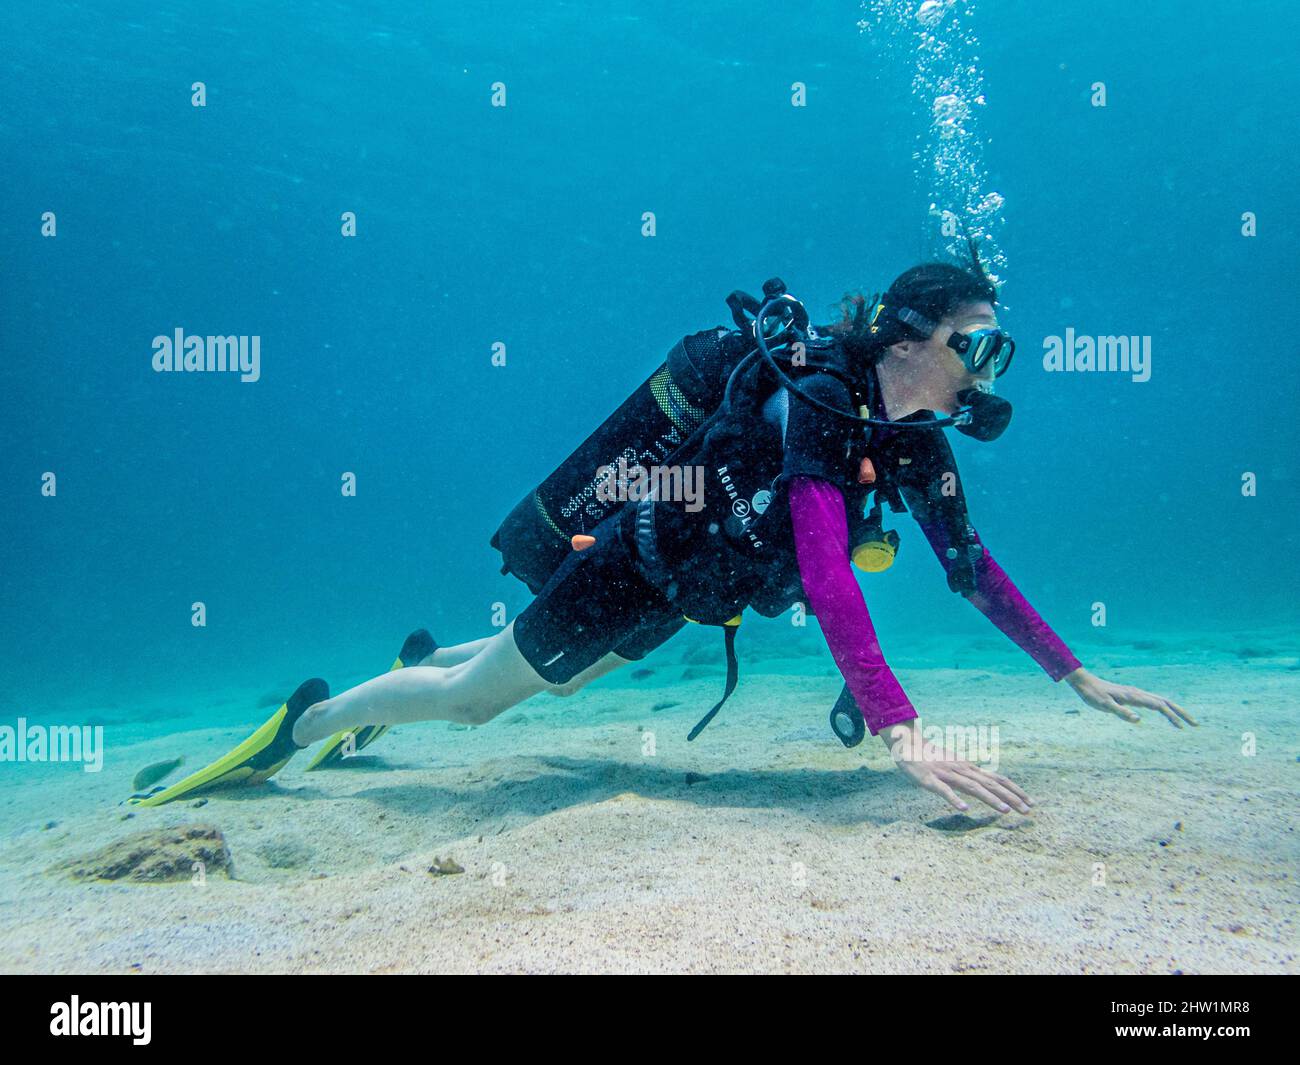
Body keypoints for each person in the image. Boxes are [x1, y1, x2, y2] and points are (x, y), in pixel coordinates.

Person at [128, 261, 1194, 814]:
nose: (992, 368)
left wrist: (1073, 671)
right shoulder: (821, 398)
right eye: (983, 344)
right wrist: (898, 726)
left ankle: (414, 666)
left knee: (543, 684)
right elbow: (826, 570)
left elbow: (969, 568)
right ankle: (305, 723)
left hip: (691, 590)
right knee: (472, 709)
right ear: (914, 336)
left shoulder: (912, 438)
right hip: (635, 568)